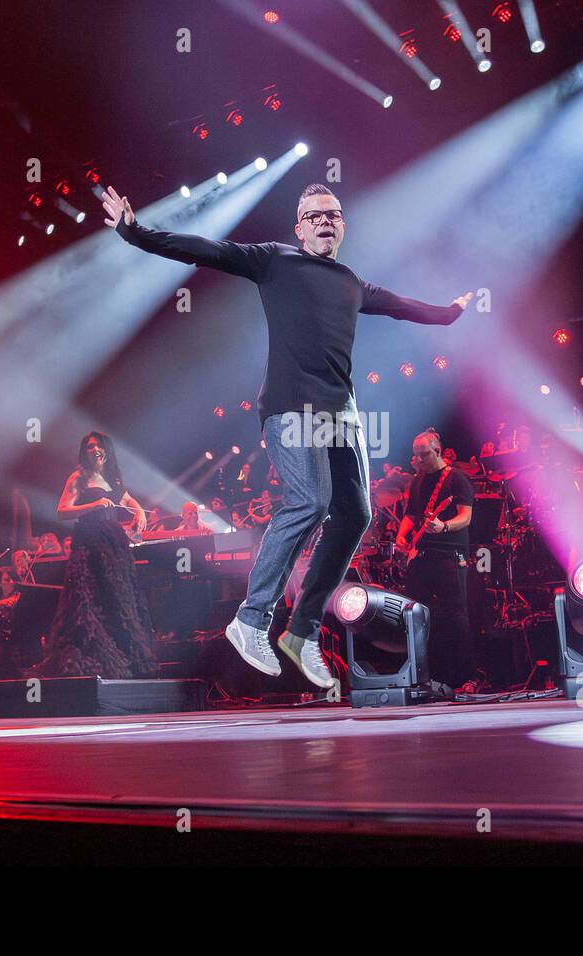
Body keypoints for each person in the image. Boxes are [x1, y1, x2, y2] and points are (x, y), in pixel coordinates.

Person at [104, 182, 474, 688]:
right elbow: (206, 249)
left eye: (334, 214)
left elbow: (401, 305)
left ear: (342, 226)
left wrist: (447, 313)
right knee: (312, 501)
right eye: (314, 215)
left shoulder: (351, 282)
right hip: (290, 406)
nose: (326, 220)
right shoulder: (274, 260)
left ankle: (302, 631)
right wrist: (135, 232)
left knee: (355, 513)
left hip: (340, 413)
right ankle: (251, 619)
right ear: (299, 227)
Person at [36, 431, 157, 678]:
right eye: (89, 446)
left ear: (106, 450)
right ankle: (92, 664)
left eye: (98, 445)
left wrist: (140, 514)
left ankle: (124, 661)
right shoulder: (79, 477)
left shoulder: (112, 478)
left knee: (118, 598)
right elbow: (62, 510)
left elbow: (128, 499)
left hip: (114, 545)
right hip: (89, 544)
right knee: (89, 601)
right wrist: (94, 505)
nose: (94, 449)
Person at [395, 430, 476, 691]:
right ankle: (423, 674)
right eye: (415, 456)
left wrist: (443, 527)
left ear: (438, 451)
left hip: (449, 555)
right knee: (416, 615)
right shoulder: (417, 481)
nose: (419, 461)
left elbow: (465, 517)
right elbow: (411, 514)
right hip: (422, 556)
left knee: (455, 615)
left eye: (424, 455)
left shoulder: (457, 479)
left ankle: (463, 677)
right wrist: (401, 535)